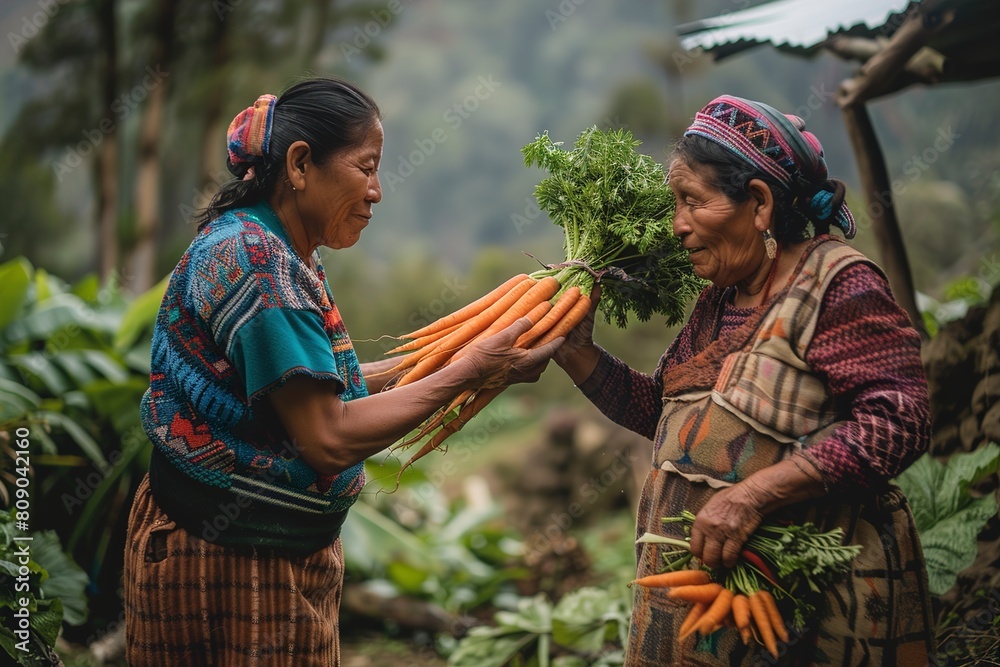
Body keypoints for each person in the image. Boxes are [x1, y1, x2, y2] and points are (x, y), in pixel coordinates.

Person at [123, 77, 561, 666]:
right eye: (366, 167)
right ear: (301, 164)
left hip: (260, 554)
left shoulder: (280, 249)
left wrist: (450, 361)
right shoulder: (257, 265)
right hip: (227, 562)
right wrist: (468, 370)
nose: (378, 192)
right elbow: (327, 437)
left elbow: (318, 388)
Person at [554, 95, 935, 665]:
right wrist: (578, 352)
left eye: (692, 202)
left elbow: (900, 422)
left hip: (811, 599)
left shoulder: (837, 284)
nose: (677, 225)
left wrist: (756, 494)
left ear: (757, 204)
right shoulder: (718, 303)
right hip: (709, 598)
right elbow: (658, 411)